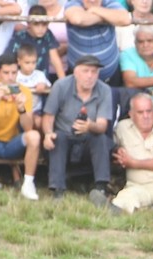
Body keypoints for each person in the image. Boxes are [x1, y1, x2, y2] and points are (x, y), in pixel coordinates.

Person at [41, 55, 113, 203]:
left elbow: (102, 125)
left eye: (94, 72)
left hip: (88, 139)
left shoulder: (104, 90)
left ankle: (100, 188)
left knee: (100, 138)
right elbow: (48, 117)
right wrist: (48, 134)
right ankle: (58, 190)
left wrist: (90, 126)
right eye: (86, 71)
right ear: (75, 72)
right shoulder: (61, 86)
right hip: (64, 136)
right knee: (57, 137)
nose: (90, 76)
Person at [0, 53, 40, 200]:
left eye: (14, 72)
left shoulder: (24, 91)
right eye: (6, 73)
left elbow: (29, 128)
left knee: (34, 136)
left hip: (11, 143)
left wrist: (21, 108)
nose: (10, 77)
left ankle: (28, 184)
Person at [64, 0, 131, 82]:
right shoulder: (73, 2)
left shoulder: (108, 2)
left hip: (110, 77)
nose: (92, 0)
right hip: (79, 79)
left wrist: (95, 9)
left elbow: (125, 19)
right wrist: (106, 17)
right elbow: (78, 19)